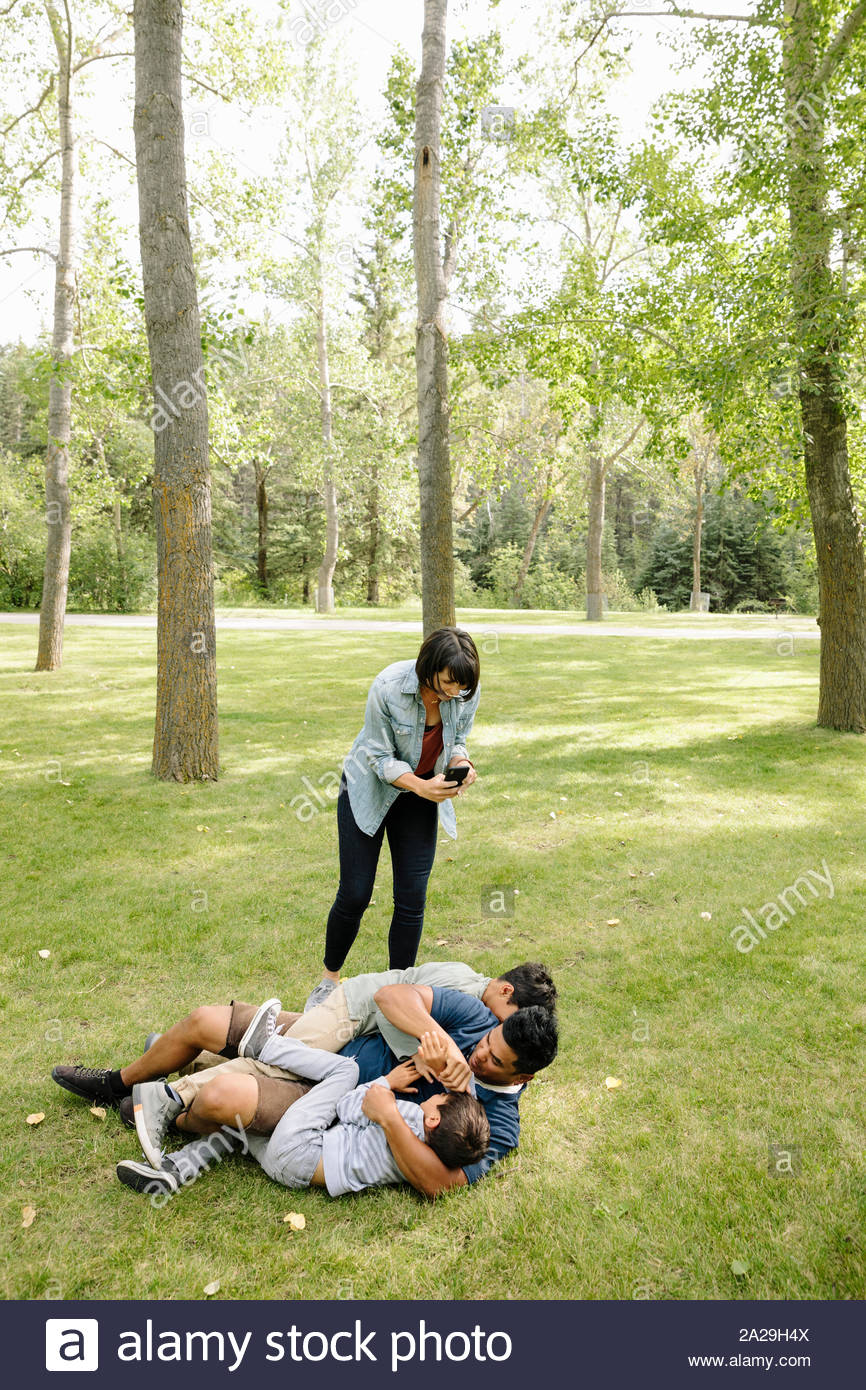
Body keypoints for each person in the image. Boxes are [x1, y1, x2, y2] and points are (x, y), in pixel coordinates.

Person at [50, 960, 557, 1166]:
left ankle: (171, 1096)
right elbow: (391, 996)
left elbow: (441, 1179)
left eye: (495, 1060)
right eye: (487, 1041)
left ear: (523, 1076)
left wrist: (386, 1110)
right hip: (331, 1039)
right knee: (206, 1019)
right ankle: (120, 1082)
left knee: (222, 1095)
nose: (479, 1053)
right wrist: (439, 1042)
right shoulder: (474, 1017)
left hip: (324, 1095)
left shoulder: (501, 1124)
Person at [114, 1016, 490, 1202]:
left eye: (438, 1098)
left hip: (302, 1148)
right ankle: (174, 1170)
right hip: (291, 1170)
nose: (432, 1094)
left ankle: (264, 1044)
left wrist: (386, 1085)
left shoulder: (408, 1119)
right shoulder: (427, 1156)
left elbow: (346, 1105)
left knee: (347, 1070)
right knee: (239, 1131)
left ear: (434, 1117)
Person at [307, 627, 481, 1008]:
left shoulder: (464, 689)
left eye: (462, 688)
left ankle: (397, 991)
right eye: (449, 684)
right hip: (369, 787)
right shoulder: (387, 686)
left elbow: (459, 739)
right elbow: (379, 757)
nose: (455, 693)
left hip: (422, 790)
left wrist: (460, 763)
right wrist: (420, 786)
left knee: (411, 898)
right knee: (355, 893)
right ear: (429, 668)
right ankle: (328, 981)